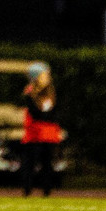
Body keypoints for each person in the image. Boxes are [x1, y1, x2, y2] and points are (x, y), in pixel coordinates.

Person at [20, 62, 64, 197]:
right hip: (35, 133)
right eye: (44, 74)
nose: (47, 77)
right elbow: (37, 113)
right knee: (30, 163)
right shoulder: (30, 93)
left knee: (47, 163)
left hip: (48, 134)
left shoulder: (51, 92)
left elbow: (54, 113)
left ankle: (46, 190)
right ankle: (27, 190)